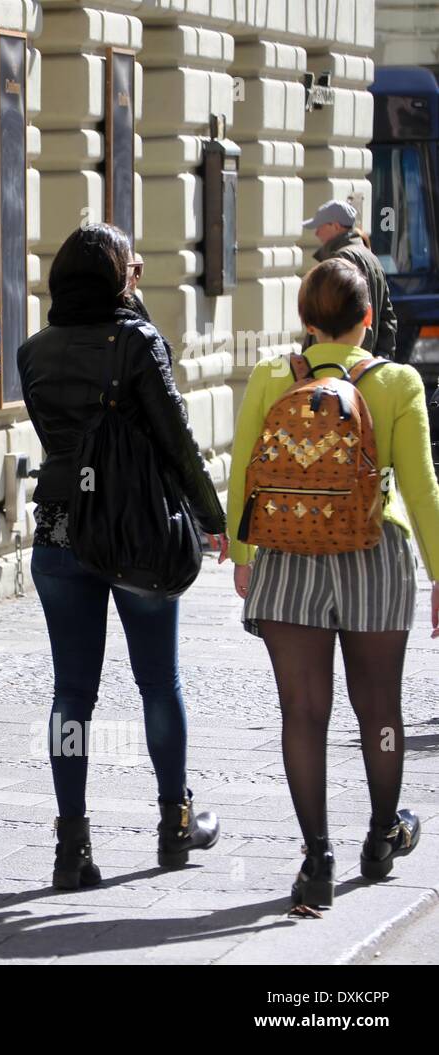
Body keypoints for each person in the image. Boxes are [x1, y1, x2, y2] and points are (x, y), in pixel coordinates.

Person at [18, 224, 227, 891]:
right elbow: (175, 438)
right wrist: (214, 517)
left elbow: (69, 440)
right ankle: (175, 822)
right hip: (136, 529)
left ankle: (71, 845)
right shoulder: (136, 341)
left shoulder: (34, 351)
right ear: (121, 278)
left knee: (70, 694)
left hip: (60, 530)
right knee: (158, 683)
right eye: (131, 267)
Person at [228, 258, 439, 910]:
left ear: (304, 319)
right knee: (379, 707)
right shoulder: (397, 380)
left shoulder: (271, 375)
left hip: (288, 554)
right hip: (374, 550)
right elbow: (420, 484)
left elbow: (244, 470)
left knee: (303, 713)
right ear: (367, 318)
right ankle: (381, 835)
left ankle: (316, 860)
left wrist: (242, 553)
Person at [305, 199, 400, 362]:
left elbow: (325, 315)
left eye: (320, 226)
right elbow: (387, 317)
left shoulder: (340, 258)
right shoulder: (372, 257)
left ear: (335, 226)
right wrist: (382, 358)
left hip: (341, 366)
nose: (316, 233)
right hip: (364, 365)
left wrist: (313, 362)